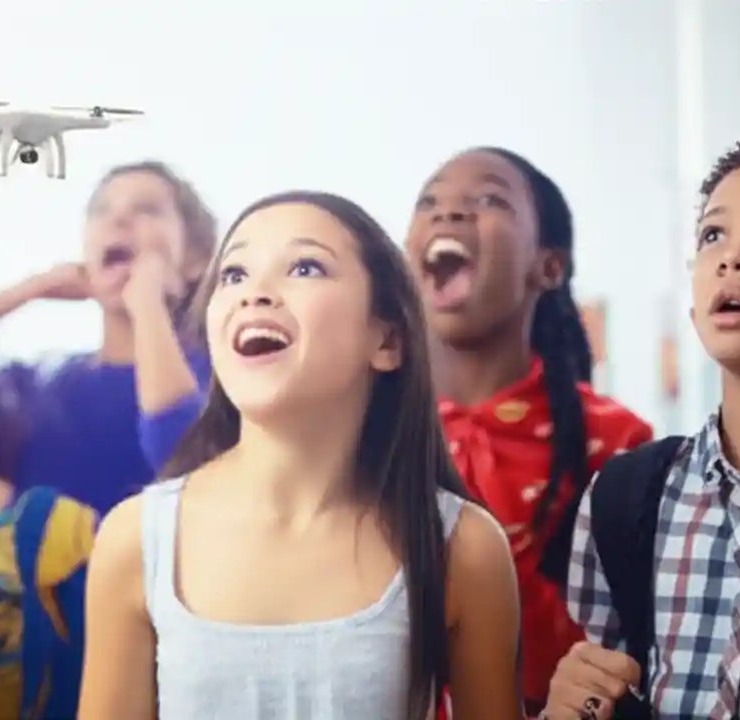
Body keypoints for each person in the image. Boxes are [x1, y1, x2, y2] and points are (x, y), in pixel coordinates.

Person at [79, 191, 522, 719]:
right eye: (234, 274)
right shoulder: (137, 538)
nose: (255, 293)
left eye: (305, 266)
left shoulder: (462, 547)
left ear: (387, 341)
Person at [546, 120, 740, 719]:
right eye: (713, 234)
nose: (734, 260)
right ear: (693, 306)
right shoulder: (625, 497)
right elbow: (597, 691)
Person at [405, 147, 653, 714]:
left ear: (549, 266)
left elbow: (629, 650)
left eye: (489, 199)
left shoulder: (617, 443)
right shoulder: (363, 432)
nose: (449, 215)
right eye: (429, 202)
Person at [0, 160, 216, 517]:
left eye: (147, 209)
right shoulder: (38, 389)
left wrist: (147, 306)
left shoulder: (224, 382)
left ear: (195, 260)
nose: (118, 219)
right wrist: (28, 290)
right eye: (101, 209)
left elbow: (185, 460)